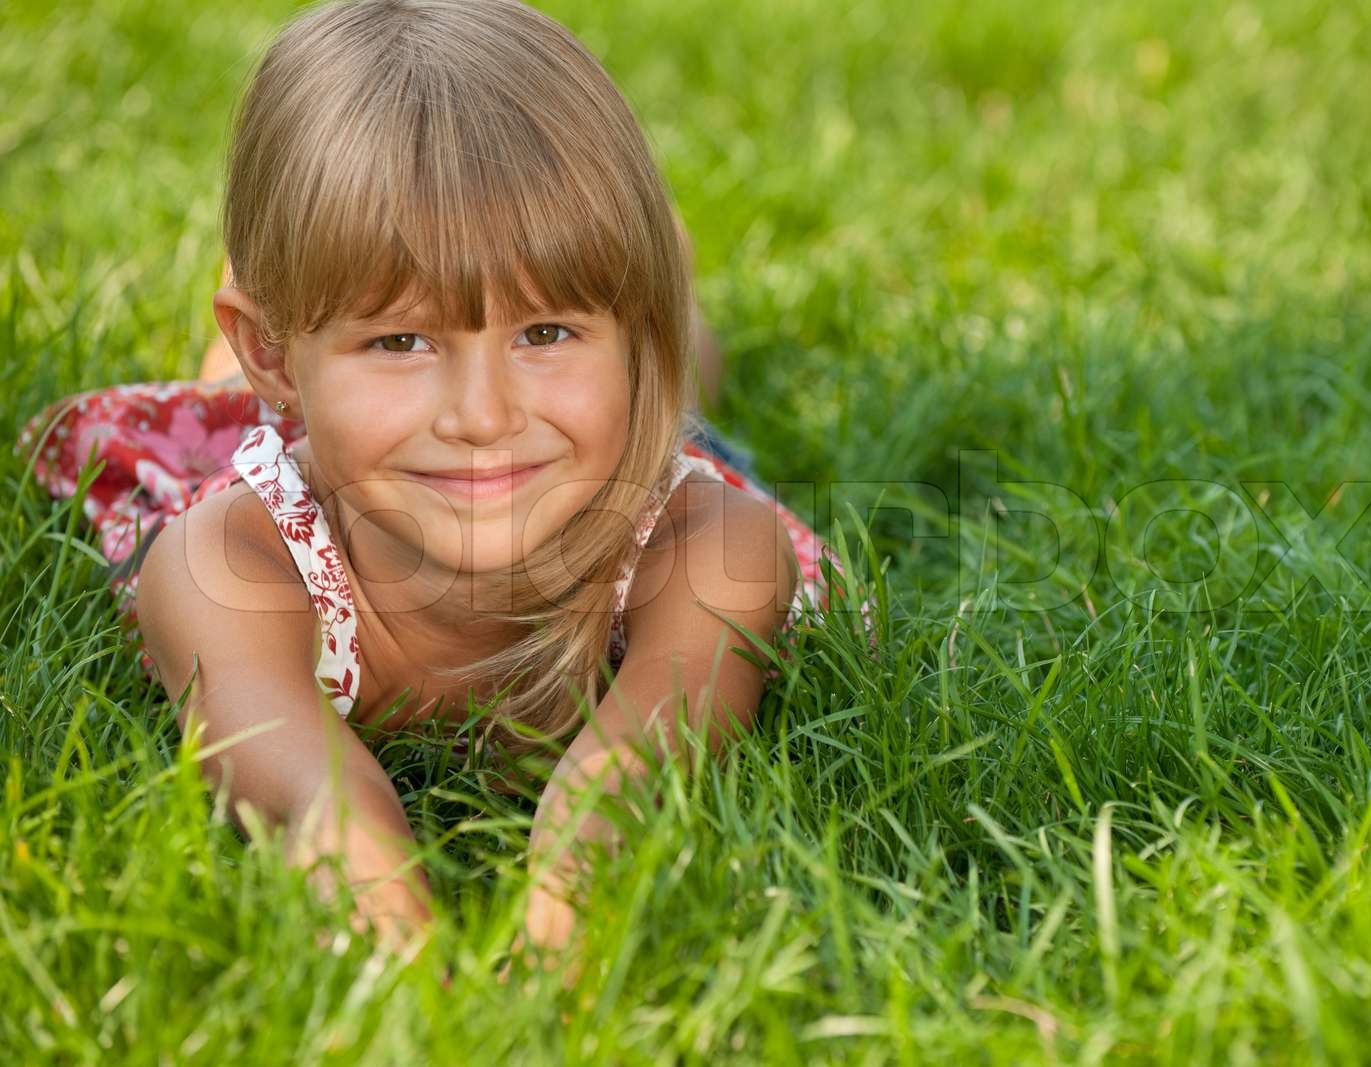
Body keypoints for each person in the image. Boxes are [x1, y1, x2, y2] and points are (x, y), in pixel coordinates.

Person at [12, 0, 842, 969]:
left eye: (544, 328)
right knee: (220, 400)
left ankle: (662, 279)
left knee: (682, 385)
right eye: (400, 338)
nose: (482, 412)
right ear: (274, 348)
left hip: (611, 462)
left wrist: (563, 935)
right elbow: (318, 806)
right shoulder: (225, 563)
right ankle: (317, 307)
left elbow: (627, 780)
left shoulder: (711, 546)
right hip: (318, 445)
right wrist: (409, 972)